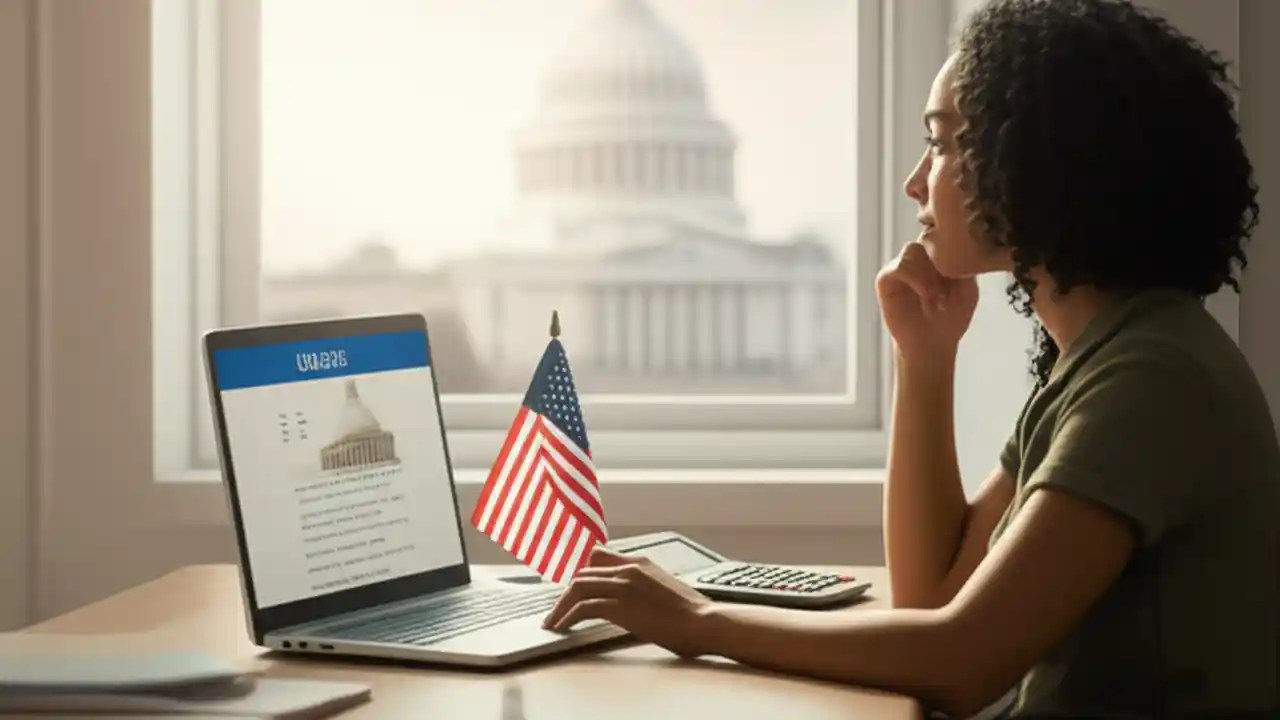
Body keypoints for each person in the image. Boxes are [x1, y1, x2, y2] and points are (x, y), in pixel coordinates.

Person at [541, 0, 1280, 716]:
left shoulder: (1151, 380)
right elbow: (932, 600)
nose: (916, 181)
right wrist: (924, 361)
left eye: (944, 141)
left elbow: (959, 664)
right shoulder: (1101, 360)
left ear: (1040, 158)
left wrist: (700, 623)